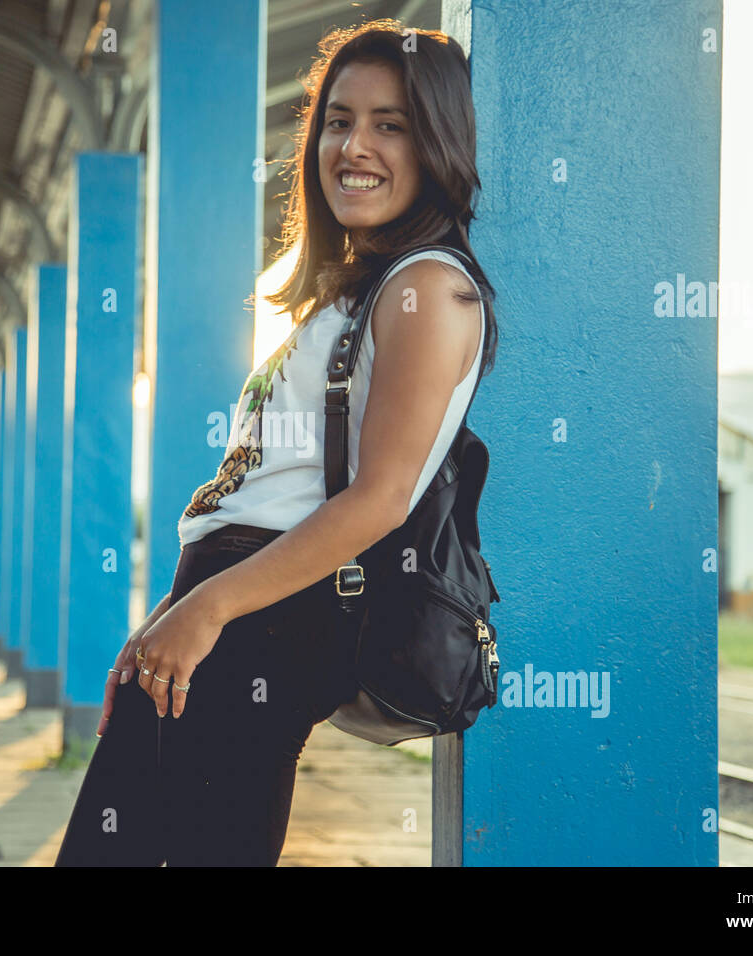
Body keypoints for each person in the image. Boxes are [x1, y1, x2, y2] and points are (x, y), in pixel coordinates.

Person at [54, 19, 499, 867]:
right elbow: (263, 481)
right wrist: (170, 615)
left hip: (267, 619)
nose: (353, 145)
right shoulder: (354, 291)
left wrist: (211, 608)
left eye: (390, 124)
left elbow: (378, 499)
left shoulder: (429, 289)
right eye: (338, 120)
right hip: (224, 607)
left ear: (438, 141)